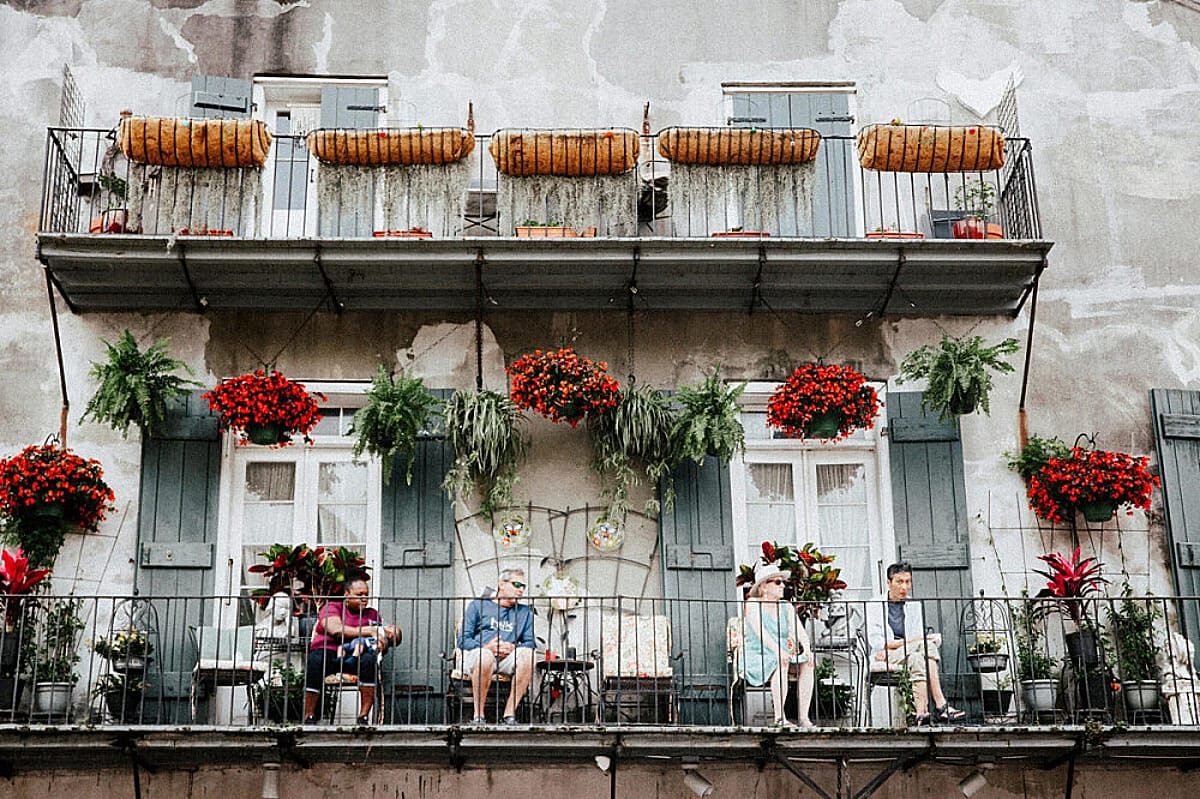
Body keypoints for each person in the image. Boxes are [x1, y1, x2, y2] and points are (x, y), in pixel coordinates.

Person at [865, 562, 965, 725]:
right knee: (927, 644)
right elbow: (877, 641)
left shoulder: (914, 605)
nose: (904, 586)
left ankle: (920, 713)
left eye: (908, 581)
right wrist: (909, 643)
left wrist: (903, 644)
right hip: (884, 657)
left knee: (918, 657)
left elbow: (917, 638)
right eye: (899, 581)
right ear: (888, 583)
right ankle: (941, 704)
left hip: (905, 653)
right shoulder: (874, 605)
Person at [303, 578, 402, 725]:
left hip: (357, 655)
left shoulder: (371, 614)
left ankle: (363, 716)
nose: (364, 599)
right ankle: (309, 715)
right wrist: (368, 631)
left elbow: (386, 636)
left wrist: (383, 644)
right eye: (359, 594)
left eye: (366, 595)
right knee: (316, 660)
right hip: (329, 651)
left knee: (369, 661)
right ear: (346, 595)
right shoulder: (332, 608)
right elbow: (337, 631)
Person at [738, 562, 815, 728]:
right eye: (778, 582)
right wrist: (778, 651)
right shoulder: (752, 604)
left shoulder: (785, 606)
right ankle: (780, 718)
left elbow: (799, 631)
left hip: (782, 654)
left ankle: (804, 718)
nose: (783, 586)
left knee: (808, 663)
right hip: (757, 655)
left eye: (783, 582)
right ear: (764, 587)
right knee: (781, 662)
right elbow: (761, 633)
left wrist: (807, 648)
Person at [457, 567, 535, 724]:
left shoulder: (524, 612)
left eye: (523, 587)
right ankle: (478, 716)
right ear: (501, 584)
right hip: (477, 657)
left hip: (506, 659)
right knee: (485, 656)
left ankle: (509, 715)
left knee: (529, 655)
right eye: (516, 585)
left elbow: (530, 642)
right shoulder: (478, 606)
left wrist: (514, 648)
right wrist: (486, 647)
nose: (521, 590)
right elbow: (463, 640)